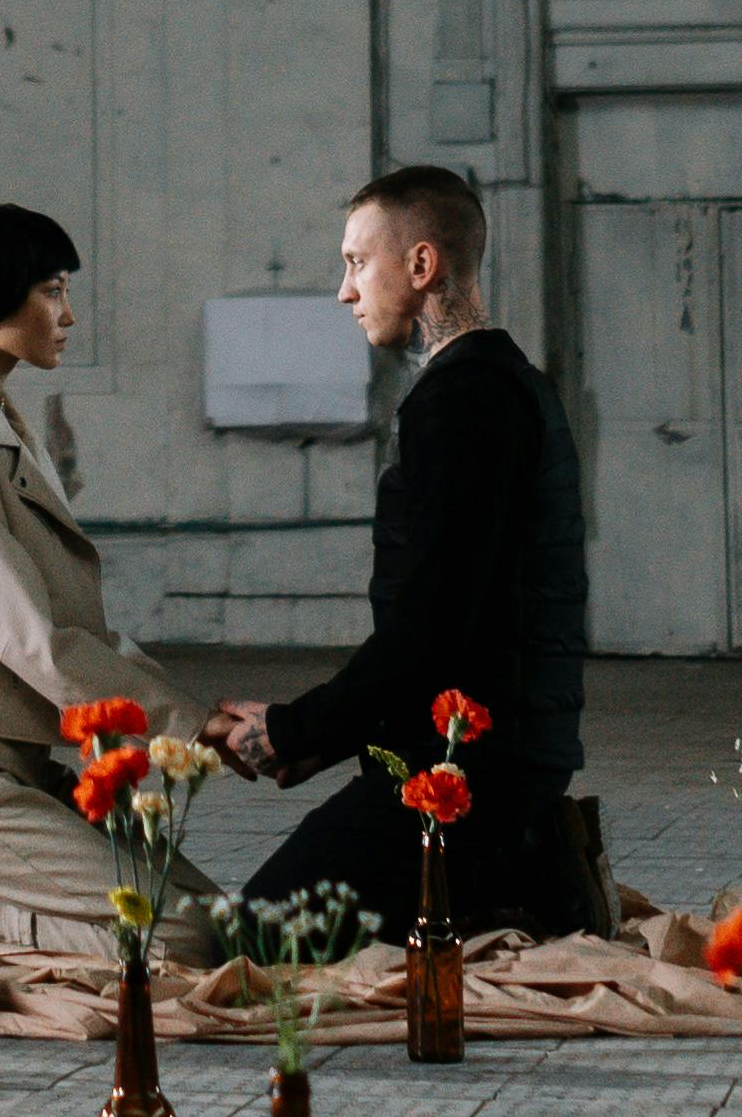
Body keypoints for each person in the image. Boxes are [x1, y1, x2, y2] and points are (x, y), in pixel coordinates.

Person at [214, 164, 600, 936]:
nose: (343, 291)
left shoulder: (461, 402)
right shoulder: (507, 382)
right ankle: (515, 865)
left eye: (357, 262)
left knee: (253, 937)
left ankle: (516, 875)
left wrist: (291, 730)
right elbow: (463, 623)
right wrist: (319, 745)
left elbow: (427, 635)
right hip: (498, 756)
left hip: (466, 775)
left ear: (421, 266)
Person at [0, 200, 212, 956]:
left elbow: (75, 632)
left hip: (17, 767)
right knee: (179, 941)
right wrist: (188, 725)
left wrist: (187, 715)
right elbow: (35, 638)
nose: (68, 315)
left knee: (216, 921)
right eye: (52, 291)